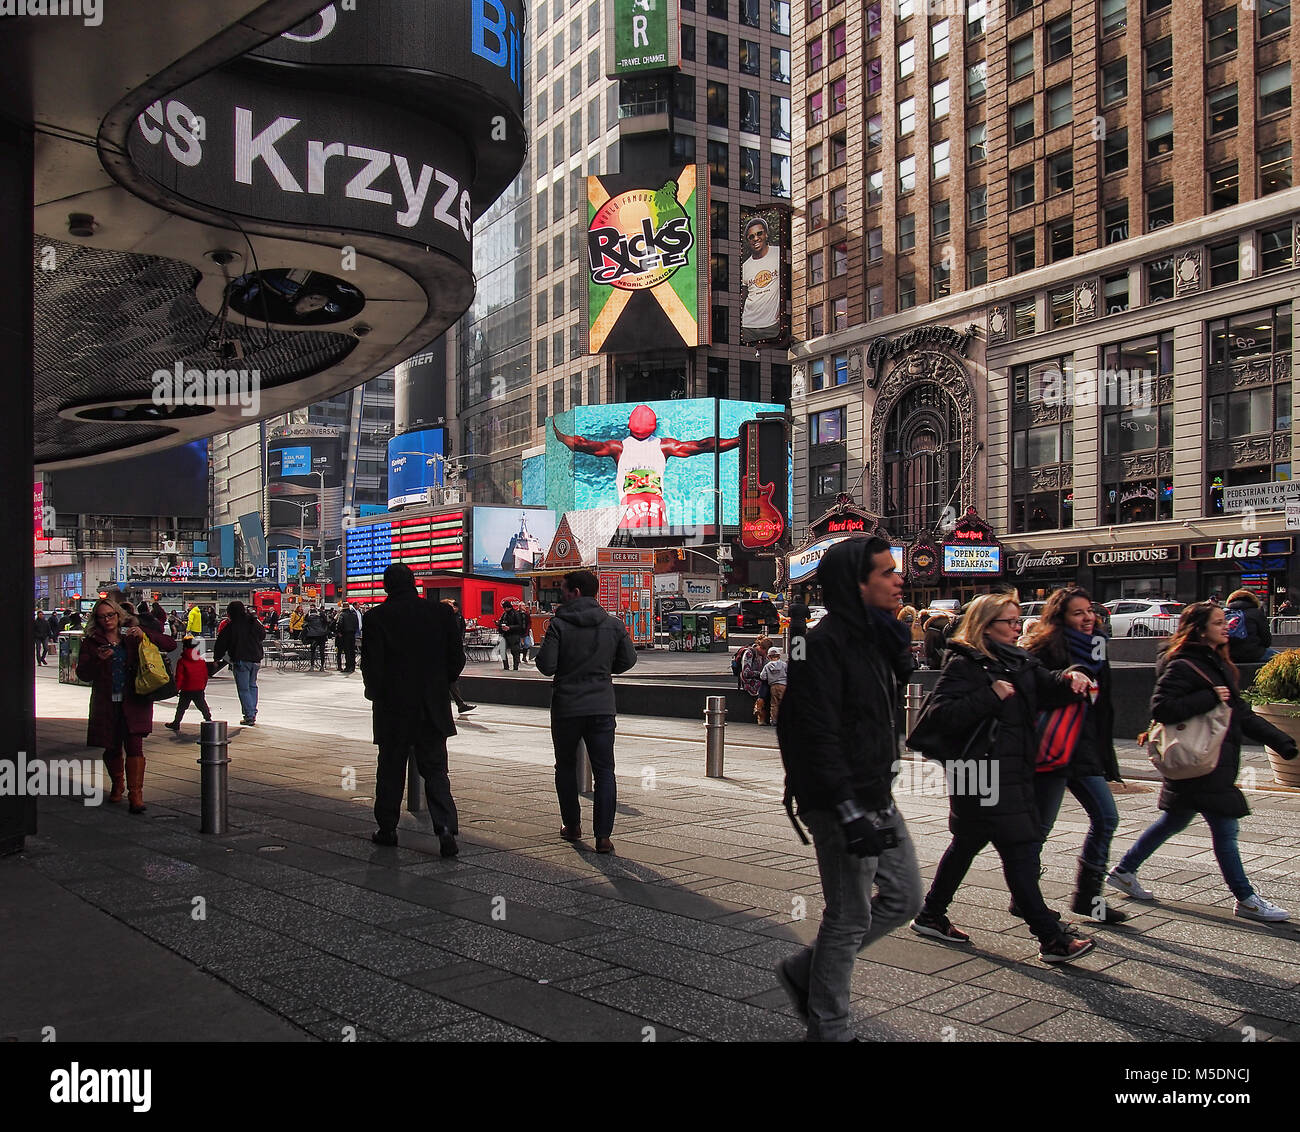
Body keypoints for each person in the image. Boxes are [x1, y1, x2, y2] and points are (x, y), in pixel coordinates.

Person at [773, 538, 923, 1041]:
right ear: (855, 585)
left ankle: (803, 971)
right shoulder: (824, 645)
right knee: (850, 916)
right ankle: (829, 1029)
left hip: (875, 791)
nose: (897, 579)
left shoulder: (878, 637)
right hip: (841, 800)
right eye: (884, 573)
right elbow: (813, 735)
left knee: (904, 898)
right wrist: (845, 807)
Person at [907, 592, 1097, 963]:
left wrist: (1070, 677)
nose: (1016, 627)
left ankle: (931, 914)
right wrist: (991, 696)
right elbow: (941, 717)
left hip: (1008, 769)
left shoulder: (1019, 660)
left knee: (967, 843)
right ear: (985, 626)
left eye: (1015, 621)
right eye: (1008, 622)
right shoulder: (966, 664)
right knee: (1020, 849)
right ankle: (1050, 937)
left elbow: (1047, 684)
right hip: (980, 771)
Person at [1110, 602, 1297, 922]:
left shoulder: (1214, 661)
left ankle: (1124, 870)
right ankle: (1246, 899)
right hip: (1202, 762)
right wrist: (1212, 696)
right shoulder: (1184, 664)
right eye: (1218, 623)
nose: (1226, 626)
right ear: (1199, 629)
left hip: (1205, 761)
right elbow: (1162, 708)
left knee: (1175, 821)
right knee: (1225, 829)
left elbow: (1239, 712)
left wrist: (1281, 741)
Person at [1022, 587, 1128, 924]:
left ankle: (1088, 898)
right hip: (1054, 746)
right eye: (1078, 613)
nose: (1087, 618)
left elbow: (1102, 705)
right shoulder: (1044, 646)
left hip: (1083, 747)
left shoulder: (1097, 646)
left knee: (1106, 817)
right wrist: (1065, 679)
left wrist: (1104, 754)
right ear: (1060, 617)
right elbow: (1035, 689)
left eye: (1090, 611)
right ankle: (1024, 894)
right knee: (1040, 827)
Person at [361, 563, 466, 857]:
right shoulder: (440, 614)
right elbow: (456, 658)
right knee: (435, 771)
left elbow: (371, 665)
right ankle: (445, 829)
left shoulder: (376, 618)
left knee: (391, 770)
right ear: (414, 585)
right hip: (431, 705)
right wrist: (440, 683)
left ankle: (387, 829)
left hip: (393, 707)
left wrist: (376, 693)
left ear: (386, 587)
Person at [535, 569, 637, 854]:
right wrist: (604, 670)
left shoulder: (558, 625)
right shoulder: (613, 624)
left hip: (567, 706)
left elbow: (546, 666)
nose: (561, 596)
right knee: (605, 771)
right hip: (602, 706)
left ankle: (572, 825)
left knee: (565, 767)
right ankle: (603, 837)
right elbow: (628, 660)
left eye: (564, 590)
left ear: (576, 592)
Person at [552, 406, 740, 531]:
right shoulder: (665, 446)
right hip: (657, 508)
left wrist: (561, 437)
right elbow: (704, 445)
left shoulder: (618, 448)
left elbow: (583, 444)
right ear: (653, 426)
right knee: (662, 554)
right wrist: (738, 441)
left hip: (629, 509)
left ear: (629, 426)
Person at [76, 598, 176, 813]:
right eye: (102, 617)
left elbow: (170, 644)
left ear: (118, 615)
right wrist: (98, 660)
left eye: (110, 615)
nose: (107, 620)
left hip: (134, 699)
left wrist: (144, 634)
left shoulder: (131, 635)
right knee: (110, 746)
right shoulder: (91, 642)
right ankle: (117, 784)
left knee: (134, 746)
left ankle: (136, 794)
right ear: (96, 620)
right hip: (106, 701)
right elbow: (83, 674)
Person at [213, 600, 266, 727]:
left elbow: (221, 643)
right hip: (256, 659)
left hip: (241, 659)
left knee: (243, 689)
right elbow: (263, 635)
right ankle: (252, 712)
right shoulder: (253, 622)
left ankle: (249, 715)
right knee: (252, 686)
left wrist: (217, 658)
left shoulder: (231, 626)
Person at [739, 215, 783, 345]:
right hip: (748, 325)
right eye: (751, 236)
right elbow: (743, 296)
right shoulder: (745, 267)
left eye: (759, 234)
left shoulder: (778, 254)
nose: (756, 238)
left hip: (772, 324)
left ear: (766, 235)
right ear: (748, 240)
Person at [166, 637, 212, 732]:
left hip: (187, 689)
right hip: (199, 688)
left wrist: (177, 689)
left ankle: (176, 723)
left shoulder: (182, 661)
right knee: (202, 705)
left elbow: (180, 677)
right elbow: (205, 675)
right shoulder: (201, 660)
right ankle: (209, 720)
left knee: (181, 707)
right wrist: (203, 686)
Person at [1223, 589, 1277, 663]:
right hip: (1254, 654)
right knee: (1284, 659)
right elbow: (1266, 640)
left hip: (1228, 655)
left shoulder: (1223, 613)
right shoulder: (1256, 613)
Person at [443, 599, 476, 714]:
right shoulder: (442, 620)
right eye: (451, 605)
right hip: (445, 655)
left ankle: (460, 704)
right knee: (450, 681)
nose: (453, 607)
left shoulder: (457, 617)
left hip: (452, 653)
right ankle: (459, 704)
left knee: (450, 681)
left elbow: (461, 629)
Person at [741, 634, 773, 723]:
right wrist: (760, 674)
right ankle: (761, 714)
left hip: (760, 679)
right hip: (749, 680)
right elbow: (746, 672)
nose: (766, 655)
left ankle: (759, 707)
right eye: (765, 652)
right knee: (764, 685)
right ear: (761, 648)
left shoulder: (764, 656)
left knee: (773, 686)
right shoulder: (749, 653)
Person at [760, 646, 788, 726]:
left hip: (773, 686)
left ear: (768, 657)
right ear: (779, 656)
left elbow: (763, 677)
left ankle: (774, 720)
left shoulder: (767, 666)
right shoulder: (784, 665)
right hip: (783, 686)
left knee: (774, 704)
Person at [496, 600, 527, 671]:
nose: (504, 609)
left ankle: (515, 667)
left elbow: (519, 625)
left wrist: (509, 627)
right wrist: (499, 624)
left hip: (514, 635)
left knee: (515, 651)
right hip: (505, 635)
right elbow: (501, 621)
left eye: (504, 608)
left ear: (507, 607)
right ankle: (506, 666)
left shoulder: (515, 614)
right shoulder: (504, 614)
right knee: (502, 650)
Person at [335, 600, 360, 673]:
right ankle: (353, 666)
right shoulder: (354, 614)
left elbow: (340, 624)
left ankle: (348, 667)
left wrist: (339, 632)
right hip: (352, 634)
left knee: (347, 651)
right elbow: (356, 624)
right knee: (352, 651)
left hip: (345, 635)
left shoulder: (342, 614)